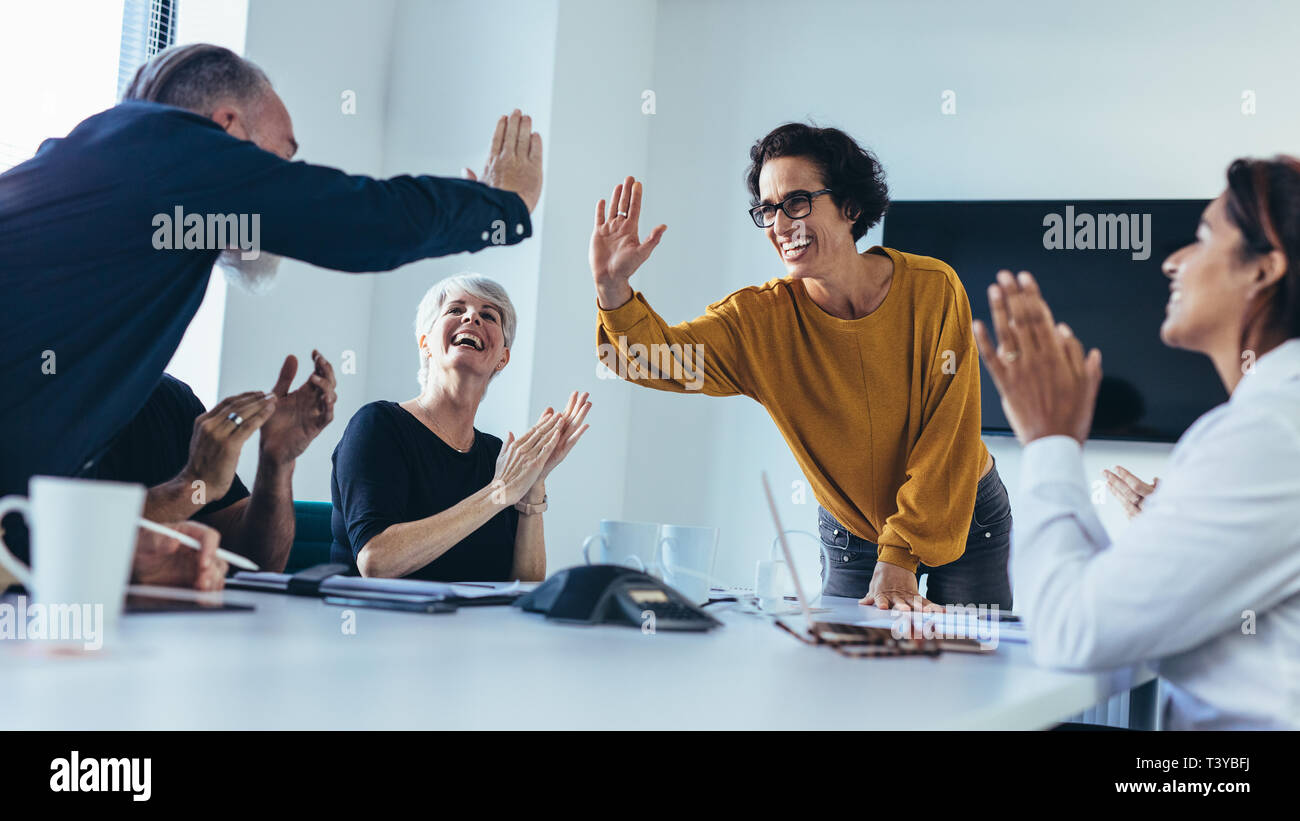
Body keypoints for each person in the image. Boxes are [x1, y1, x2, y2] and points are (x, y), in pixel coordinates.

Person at [0, 43, 543, 566]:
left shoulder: (101, 178)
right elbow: (356, 218)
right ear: (227, 127)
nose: (279, 186)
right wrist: (501, 206)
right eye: (282, 161)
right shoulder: (175, 149)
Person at [590, 123, 1011, 611]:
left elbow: (949, 434)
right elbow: (650, 358)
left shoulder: (934, 289)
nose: (779, 223)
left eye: (796, 201)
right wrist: (611, 287)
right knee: (847, 672)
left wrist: (900, 553)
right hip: (852, 533)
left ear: (850, 207)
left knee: (970, 666)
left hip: (965, 510)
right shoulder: (758, 321)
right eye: (767, 209)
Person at [973, 157, 1300, 730]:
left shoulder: (1267, 433)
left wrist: (1050, 439)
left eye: (1201, 239)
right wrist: (1174, 529)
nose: (1172, 262)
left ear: (1263, 270)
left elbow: (1071, 632)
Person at [331, 275, 590, 582]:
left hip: (471, 629)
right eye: (455, 310)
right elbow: (377, 562)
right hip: (377, 625)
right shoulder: (378, 425)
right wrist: (498, 492)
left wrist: (533, 484)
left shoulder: (502, 458)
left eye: (488, 315)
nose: (471, 317)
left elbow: (525, 586)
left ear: (502, 358)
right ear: (425, 343)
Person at [90, 351, 337, 573]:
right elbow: (70, 543)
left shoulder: (166, 397)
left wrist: (277, 462)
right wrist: (194, 485)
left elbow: (257, 562)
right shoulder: (53, 401)